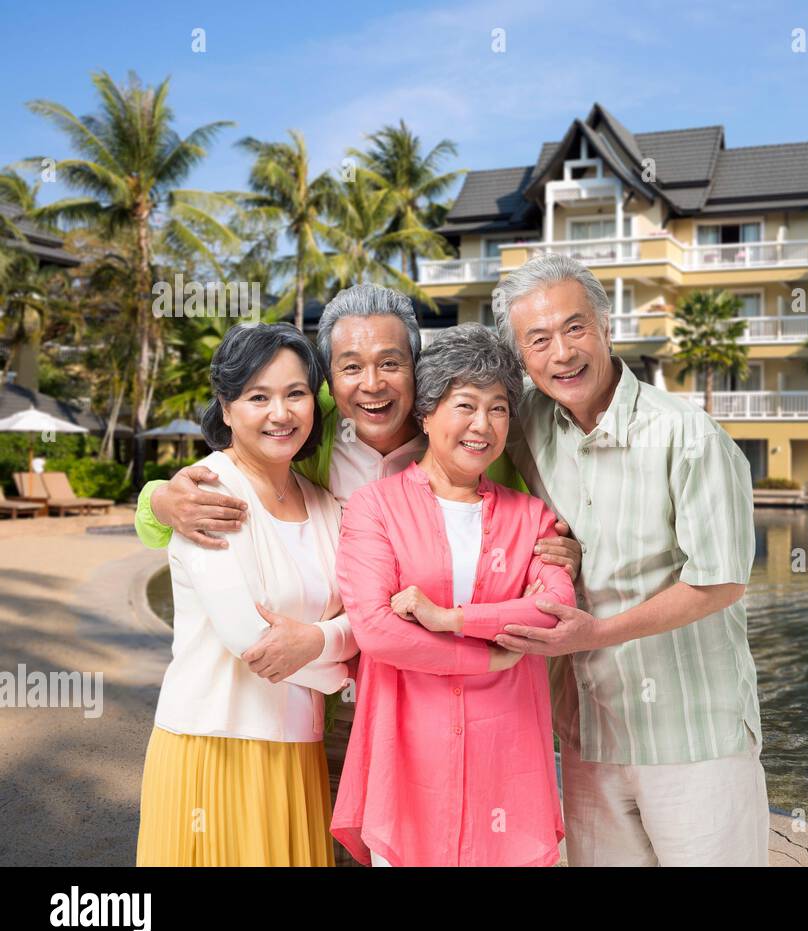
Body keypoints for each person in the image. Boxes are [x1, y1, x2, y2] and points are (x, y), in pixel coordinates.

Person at [130, 285, 581, 862]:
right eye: (350, 367)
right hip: (322, 712)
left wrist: (565, 552)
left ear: (416, 371)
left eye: (391, 363)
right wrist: (158, 500)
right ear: (329, 381)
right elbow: (214, 497)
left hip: (431, 712)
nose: (371, 384)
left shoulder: (471, 445)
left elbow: (530, 547)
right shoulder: (305, 436)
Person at [490, 254, 768, 866]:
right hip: (588, 737)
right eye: (539, 340)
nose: (562, 353)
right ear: (521, 357)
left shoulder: (688, 436)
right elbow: (440, 427)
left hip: (693, 738)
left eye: (576, 328)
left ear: (607, 327)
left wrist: (597, 633)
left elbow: (721, 582)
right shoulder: (523, 423)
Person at [332, 324, 574, 866]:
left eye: (498, 409)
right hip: (408, 762)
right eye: (465, 405)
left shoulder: (530, 515)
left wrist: (449, 619)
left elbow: (555, 614)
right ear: (426, 413)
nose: (482, 425)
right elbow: (377, 631)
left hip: (506, 762)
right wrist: (490, 654)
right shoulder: (375, 508)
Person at [136, 322, 357, 866]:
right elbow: (254, 644)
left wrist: (318, 641)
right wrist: (339, 664)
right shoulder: (207, 494)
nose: (281, 413)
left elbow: (363, 616)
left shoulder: (325, 504)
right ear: (227, 408)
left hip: (297, 752)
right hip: (215, 744)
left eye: (296, 393)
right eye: (258, 397)